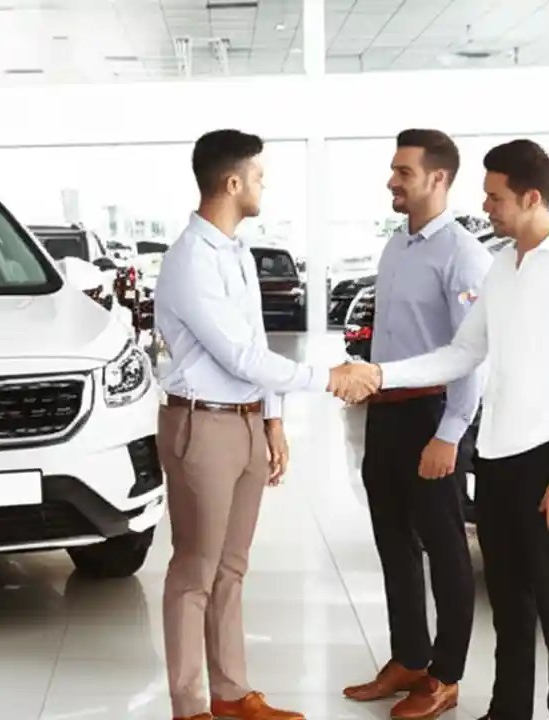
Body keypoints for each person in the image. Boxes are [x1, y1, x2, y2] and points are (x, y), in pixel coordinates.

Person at [345, 139, 549, 720]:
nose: (485, 206)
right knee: (510, 606)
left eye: (496, 197)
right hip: (494, 458)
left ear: (532, 197)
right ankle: (506, 711)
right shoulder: (504, 267)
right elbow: (462, 352)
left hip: (547, 462)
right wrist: (380, 373)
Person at [155, 128, 379, 720]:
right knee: (194, 571)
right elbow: (240, 357)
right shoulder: (189, 261)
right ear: (231, 183)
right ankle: (189, 706)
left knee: (232, 568)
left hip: (248, 424)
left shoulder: (238, 252)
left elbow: (256, 341)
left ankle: (231, 695)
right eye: (257, 177)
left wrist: (274, 421)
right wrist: (329, 378)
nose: (263, 185)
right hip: (201, 426)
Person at [341, 129, 492, 720]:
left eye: (403, 172)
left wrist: (451, 433)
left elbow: (472, 354)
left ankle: (446, 676)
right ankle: (409, 657)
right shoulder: (397, 246)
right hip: (388, 414)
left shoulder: (462, 253)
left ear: (439, 179)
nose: (391, 181)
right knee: (393, 542)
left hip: (434, 416)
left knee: (446, 550)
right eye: (393, 169)